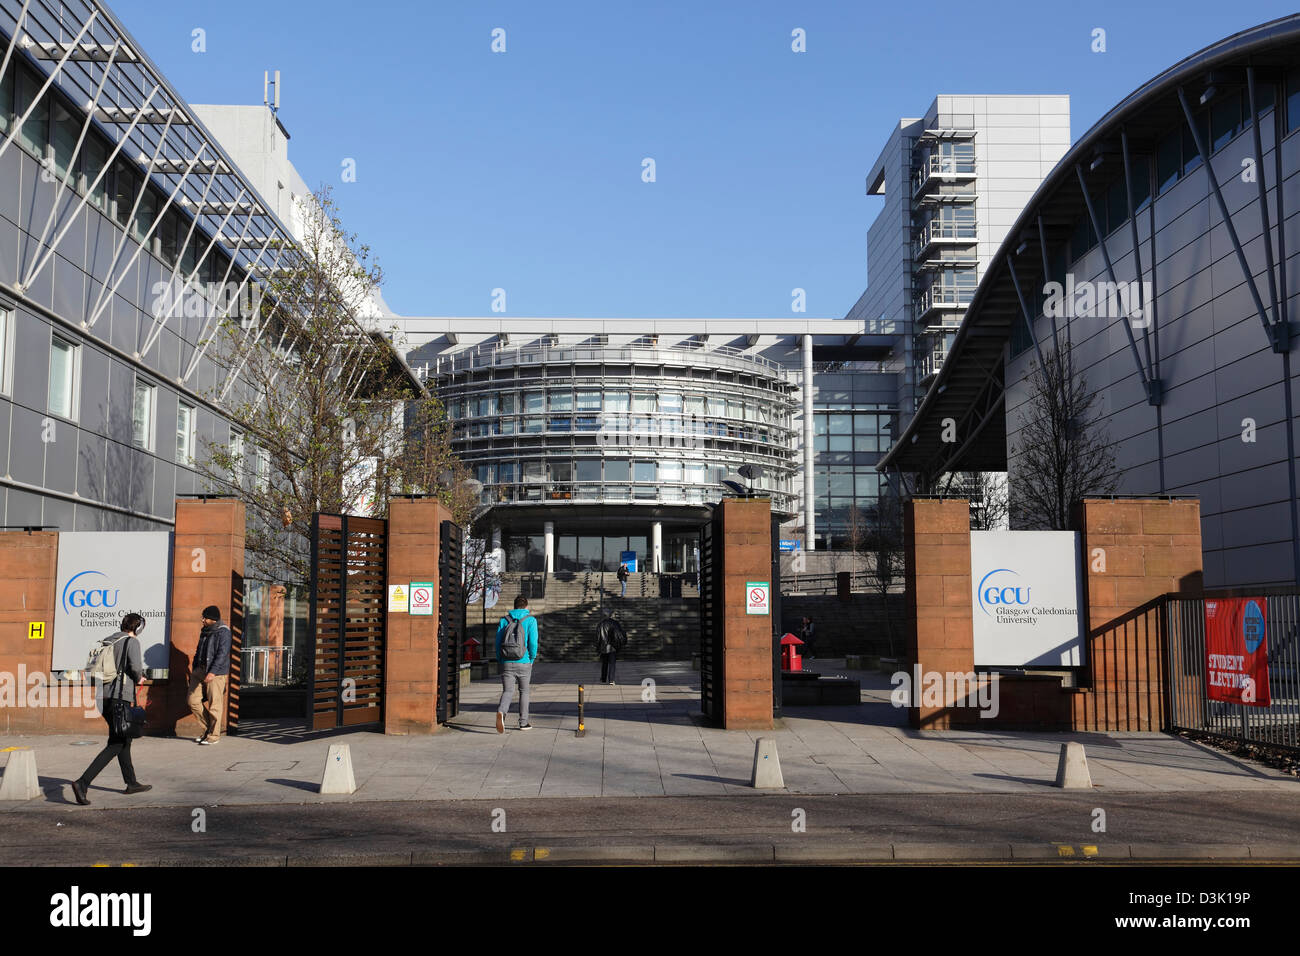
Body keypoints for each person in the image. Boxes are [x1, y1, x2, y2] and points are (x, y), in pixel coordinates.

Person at [70, 614, 151, 805]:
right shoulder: (131, 642)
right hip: (119, 698)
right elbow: (135, 667)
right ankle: (82, 782)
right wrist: (139, 677)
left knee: (123, 740)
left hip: (103, 698)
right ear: (137, 628)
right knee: (116, 743)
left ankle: (131, 783)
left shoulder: (108, 640)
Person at [495, 594, 539, 733]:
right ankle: (523, 723)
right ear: (526, 607)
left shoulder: (504, 620)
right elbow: (533, 642)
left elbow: (497, 643)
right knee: (524, 691)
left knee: (507, 691)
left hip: (507, 661)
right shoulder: (530, 620)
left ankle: (502, 712)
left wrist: (500, 659)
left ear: (514, 606)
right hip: (524, 660)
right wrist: (531, 659)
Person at [189, 605, 232, 745]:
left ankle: (214, 736)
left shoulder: (223, 632)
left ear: (212, 619)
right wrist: (194, 667)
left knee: (215, 705)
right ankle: (208, 728)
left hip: (216, 673)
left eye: (204, 617)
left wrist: (212, 672)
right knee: (193, 701)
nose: (202, 619)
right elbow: (198, 650)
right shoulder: (205, 631)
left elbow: (222, 654)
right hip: (199, 671)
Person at [596, 611, 627, 685]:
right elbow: (619, 634)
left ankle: (603, 678)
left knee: (604, 663)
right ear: (610, 615)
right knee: (612, 663)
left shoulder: (600, 624)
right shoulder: (615, 623)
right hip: (613, 646)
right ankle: (611, 680)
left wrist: (598, 646)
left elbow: (598, 636)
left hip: (603, 646)